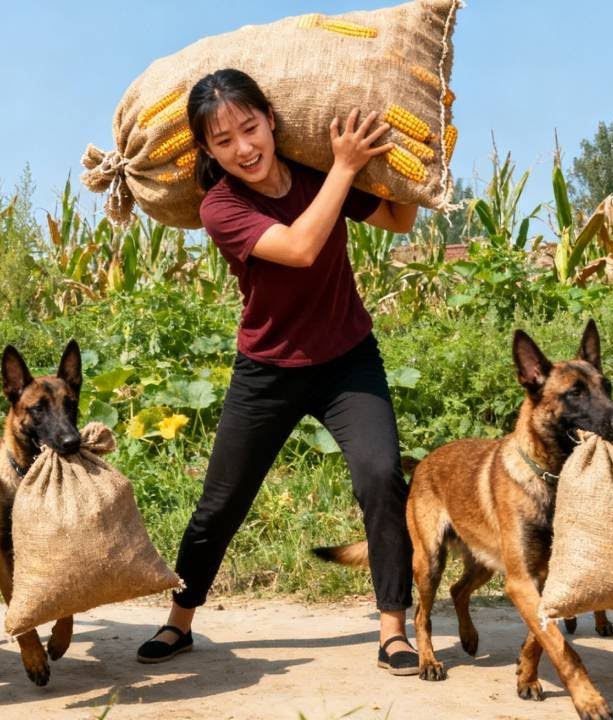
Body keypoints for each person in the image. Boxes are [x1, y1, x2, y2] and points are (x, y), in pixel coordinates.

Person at [135, 68, 420, 675]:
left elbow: (398, 221)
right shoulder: (221, 206)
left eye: (249, 127)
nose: (243, 148)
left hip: (348, 359)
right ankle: (179, 620)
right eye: (223, 141)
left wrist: (420, 155)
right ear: (208, 151)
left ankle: (394, 628)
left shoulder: (317, 169)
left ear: (270, 117)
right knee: (221, 502)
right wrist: (343, 171)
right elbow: (299, 249)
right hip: (268, 369)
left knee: (380, 477)